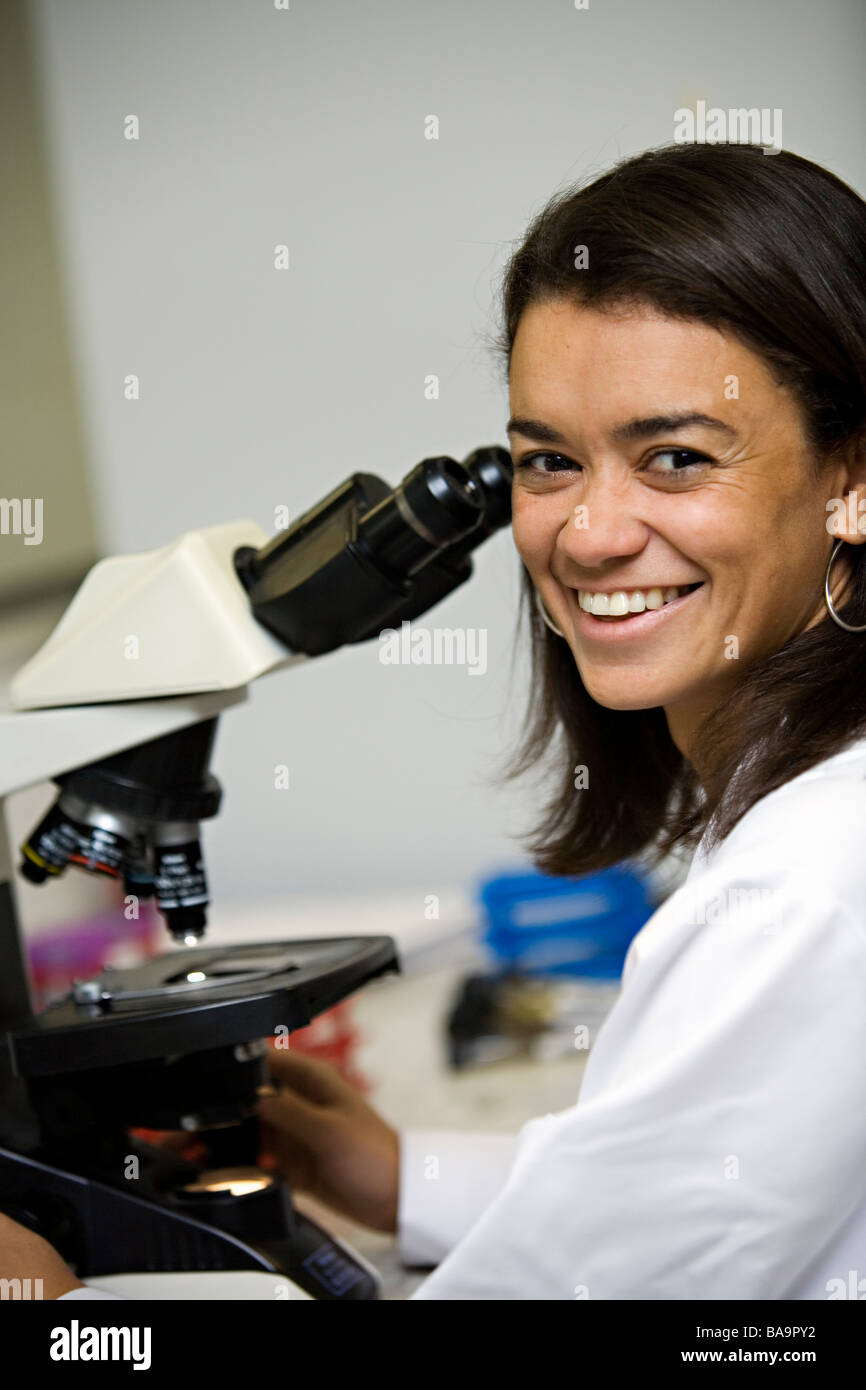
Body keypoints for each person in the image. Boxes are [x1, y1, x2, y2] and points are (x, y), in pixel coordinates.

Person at [7, 138, 866, 1299]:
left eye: (672, 457)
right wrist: (404, 1178)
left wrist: (62, 1316)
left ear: (849, 477)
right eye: (547, 462)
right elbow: (683, 1210)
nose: (588, 534)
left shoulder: (805, 886)